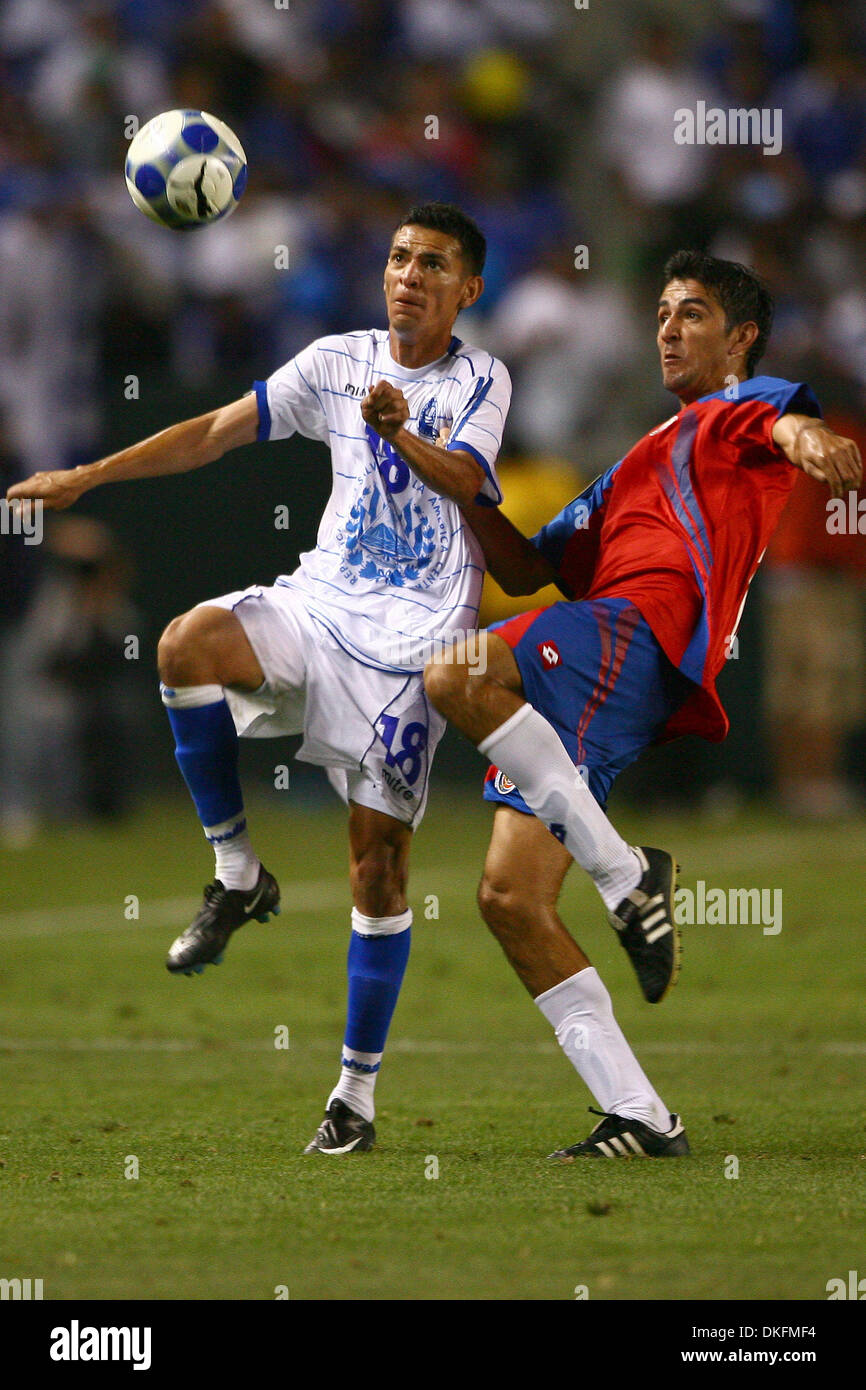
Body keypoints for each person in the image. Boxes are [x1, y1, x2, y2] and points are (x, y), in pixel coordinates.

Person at [6, 201, 511, 1156]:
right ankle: (237, 873)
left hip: (414, 646)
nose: (409, 275)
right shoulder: (335, 360)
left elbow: (465, 483)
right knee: (185, 645)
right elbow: (212, 431)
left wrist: (397, 433)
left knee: (379, 871)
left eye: (433, 265)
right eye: (399, 257)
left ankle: (353, 1100)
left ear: (467, 290)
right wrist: (87, 476)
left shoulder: (483, 377)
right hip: (319, 608)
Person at [423, 250, 861, 1159]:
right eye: (662, 312)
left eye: (692, 313)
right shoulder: (639, 457)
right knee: (509, 897)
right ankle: (641, 1115)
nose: (669, 327)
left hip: (631, 634)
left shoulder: (738, 411)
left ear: (740, 338)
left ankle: (624, 874)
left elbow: (783, 426)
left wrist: (812, 440)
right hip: (603, 660)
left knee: (455, 674)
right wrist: (447, 475)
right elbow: (524, 568)